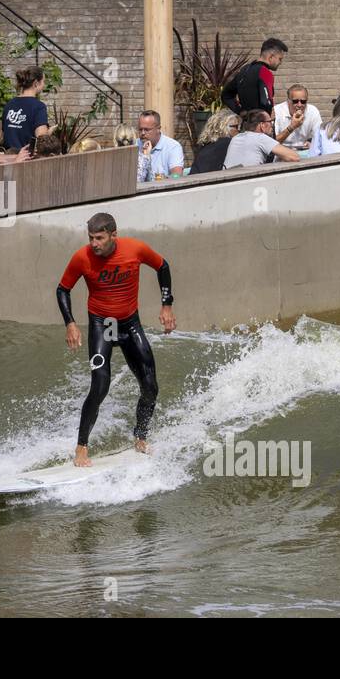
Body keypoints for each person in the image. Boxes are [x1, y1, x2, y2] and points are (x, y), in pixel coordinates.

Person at [56, 213, 175, 467]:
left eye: (99, 238)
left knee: (150, 386)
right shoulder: (82, 257)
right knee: (100, 385)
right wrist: (71, 323)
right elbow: (62, 289)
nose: (94, 244)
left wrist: (167, 306)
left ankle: (140, 438)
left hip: (129, 323)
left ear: (113, 235)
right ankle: (81, 447)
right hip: (104, 324)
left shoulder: (135, 249)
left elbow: (162, 266)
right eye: (91, 238)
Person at [221, 38, 287, 114]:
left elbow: (226, 95)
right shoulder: (265, 72)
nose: (280, 62)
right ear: (271, 57)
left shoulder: (244, 70)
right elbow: (266, 102)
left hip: (246, 123)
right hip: (261, 123)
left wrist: (240, 111)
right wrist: (268, 116)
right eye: (280, 59)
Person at [224, 110, 302, 168]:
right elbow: (294, 157)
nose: (272, 125)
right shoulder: (260, 138)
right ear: (262, 125)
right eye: (270, 122)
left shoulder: (236, 137)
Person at [3, 66, 52, 151]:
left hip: (8, 156)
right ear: (36, 83)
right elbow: (42, 140)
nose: (44, 85)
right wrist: (49, 132)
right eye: (43, 81)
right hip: (26, 159)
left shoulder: (9, 104)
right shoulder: (38, 107)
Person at [272, 83, 322, 155]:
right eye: (295, 101)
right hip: (281, 152)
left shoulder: (312, 111)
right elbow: (272, 142)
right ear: (288, 101)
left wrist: (312, 143)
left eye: (303, 102)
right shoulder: (277, 111)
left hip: (304, 152)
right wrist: (292, 127)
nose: (299, 105)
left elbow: (319, 136)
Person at [136, 109, 184, 181]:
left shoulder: (173, 147)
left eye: (147, 130)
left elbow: (177, 175)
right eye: (140, 129)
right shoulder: (135, 145)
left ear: (158, 129)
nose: (143, 133)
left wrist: (156, 178)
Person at [189, 109, 240, 174]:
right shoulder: (227, 143)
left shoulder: (205, 144)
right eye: (235, 126)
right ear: (222, 127)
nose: (238, 129)